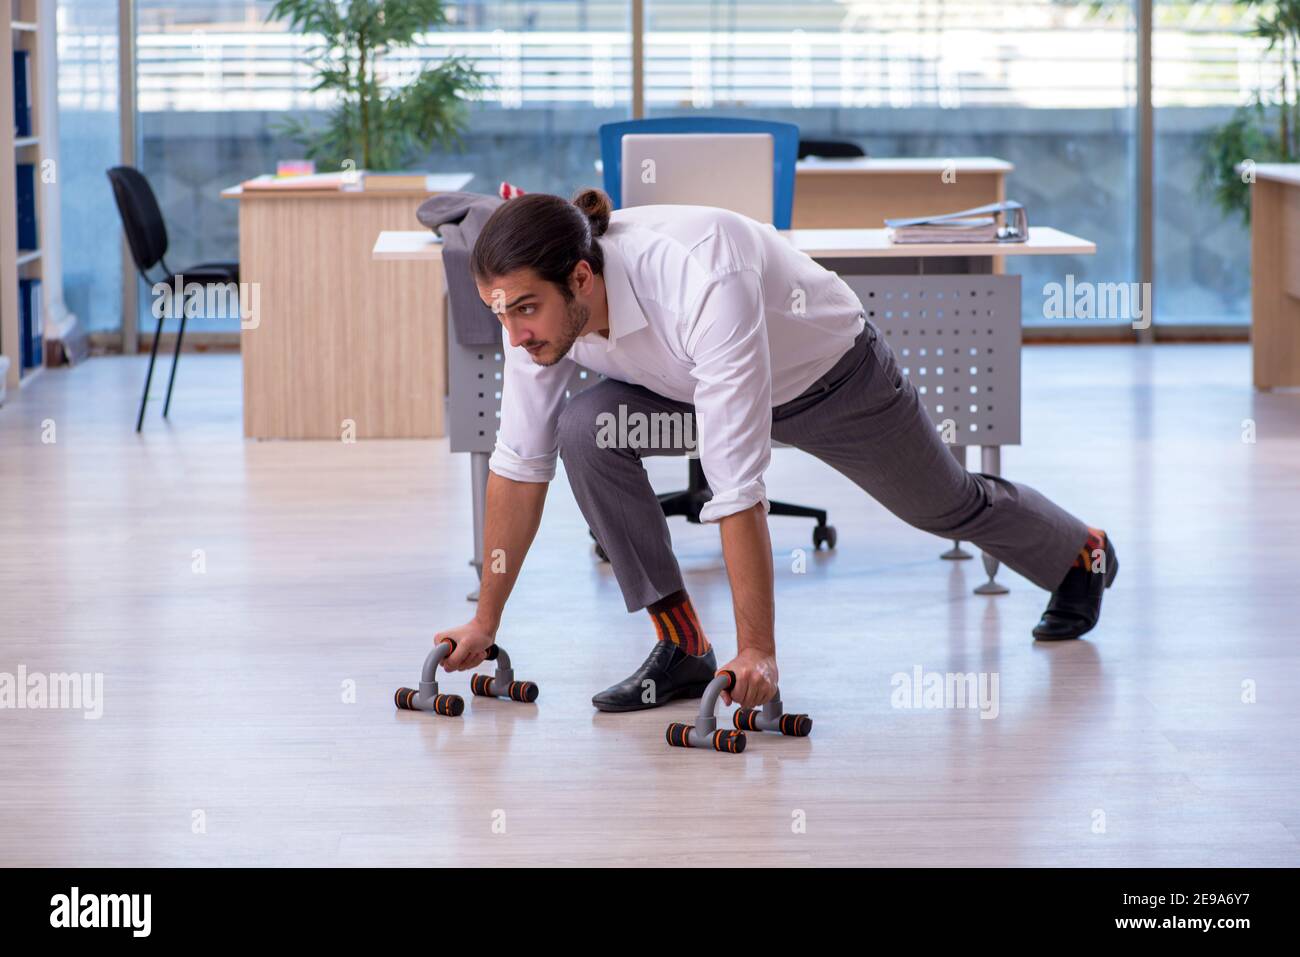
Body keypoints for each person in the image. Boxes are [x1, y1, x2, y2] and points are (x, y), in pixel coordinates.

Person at [434, 188, 1117, 712]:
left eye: (525, 309)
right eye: (502, 313)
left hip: (831, 376)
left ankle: (1076, 548)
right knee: (586, 430)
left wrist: (759, 651)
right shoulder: (533, 311)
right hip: (684, 385)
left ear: (581, 278)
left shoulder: (699, 272)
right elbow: (519, 463)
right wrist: (485, 620)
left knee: (942, 504)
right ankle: (683, 645)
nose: (516, 334)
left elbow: (735, 484)